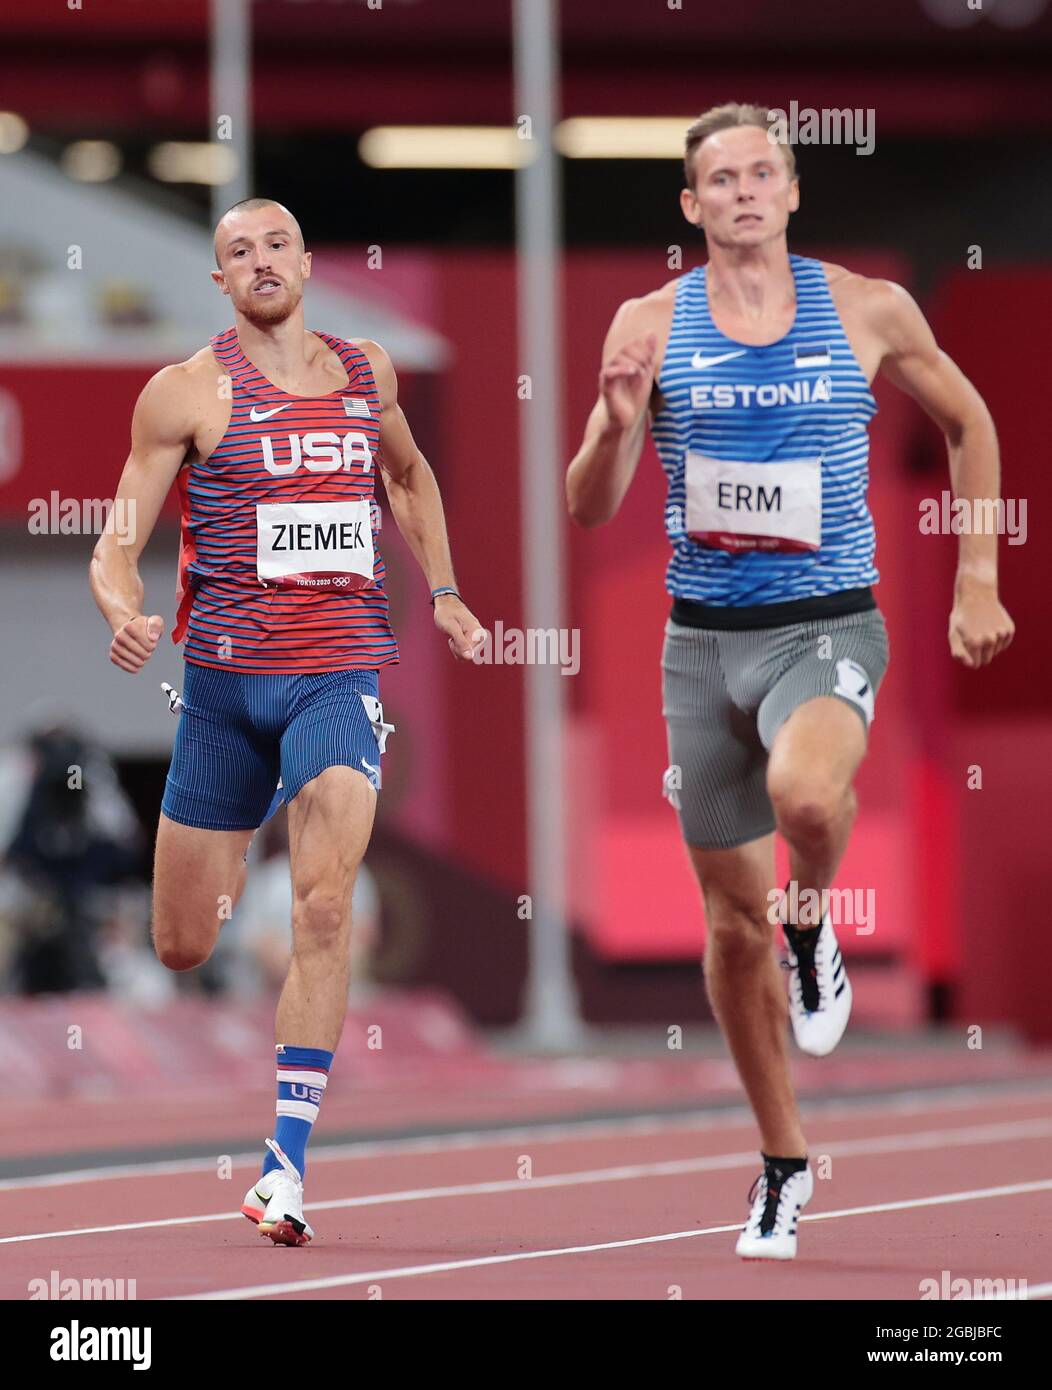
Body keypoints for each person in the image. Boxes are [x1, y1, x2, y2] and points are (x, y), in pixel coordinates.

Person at [565, 104, 1014, 1260]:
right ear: (690, 204)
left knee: (808, 800)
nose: (744, 192)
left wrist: (975, 579)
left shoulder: (867, 307)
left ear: (791, 189)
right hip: (698, 644)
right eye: (720, 179)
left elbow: (968, 421)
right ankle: (780, 1161)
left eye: (762, 172)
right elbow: (587, 503)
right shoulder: (646, 324)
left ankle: (811, 914)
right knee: (724, 930)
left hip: (823, 628)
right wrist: (616, 425)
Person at [90, 198, 483, 1246]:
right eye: (236, 252)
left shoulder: (368, 373)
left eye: (274, 244)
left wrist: (443, 589)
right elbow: (115, 537)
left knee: (321, 904)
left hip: (335, 674)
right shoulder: (182, 392)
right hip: (222, 693)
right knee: (180, 943)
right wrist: (120, 605)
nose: (258, 261)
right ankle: (235, 822)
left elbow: (406, 474)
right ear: (218, 280)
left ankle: (286, 1163)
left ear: (306, 263)